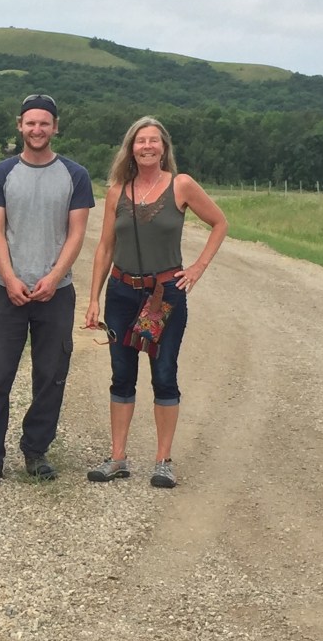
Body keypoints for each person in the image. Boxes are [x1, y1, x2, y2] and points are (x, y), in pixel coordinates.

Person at [83, 116, 228, 488]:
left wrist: (197, 268)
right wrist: (93, 298)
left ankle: (163, 460)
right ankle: (118, 457)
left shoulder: (181, 185)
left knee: (163, 374)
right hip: (121, 292)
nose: (146, 146)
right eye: (139, 141)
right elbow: (105, 247)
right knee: (121, 374)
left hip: (165, 295)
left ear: (164, 147)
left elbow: (220, 223)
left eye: (153, 141)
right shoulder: (118, 190)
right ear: (130, 148)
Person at [0, 94, 94, 487]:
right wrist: (8, 277)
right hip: (7, 291)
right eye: (30, 123)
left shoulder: (75, 175)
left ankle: (36, 451)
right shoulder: (1, 173)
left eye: (45, 123)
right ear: (19, 126)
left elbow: (76, 233)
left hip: (56, 293)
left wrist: (55, 277)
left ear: (55, 127)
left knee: (51, 375)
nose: (37, 130)